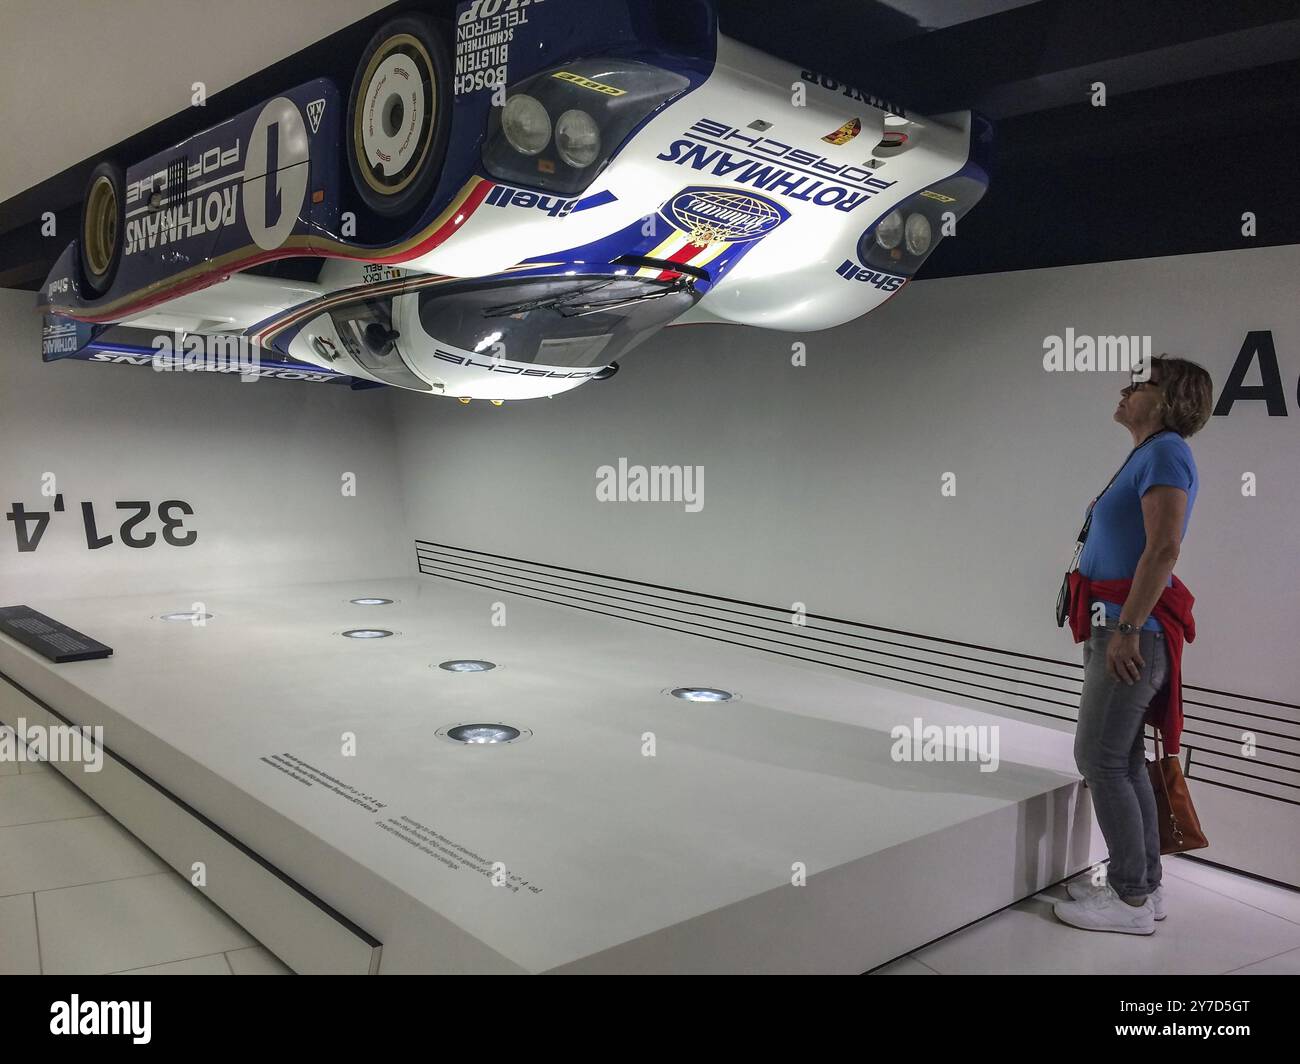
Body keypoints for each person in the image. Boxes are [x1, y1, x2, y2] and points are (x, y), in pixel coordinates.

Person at [1053, 354, 1214, 935]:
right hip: (1120, 626)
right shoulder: (1150, 453)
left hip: (1130, 630)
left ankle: (1129, 900)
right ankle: (1143, 885)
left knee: (1099, 758)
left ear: (1169, 398)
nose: (1126, 389)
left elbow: (1164, 548)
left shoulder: (1167, 452)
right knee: (1119, 759)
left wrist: (1126, 629)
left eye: (1141, 383)